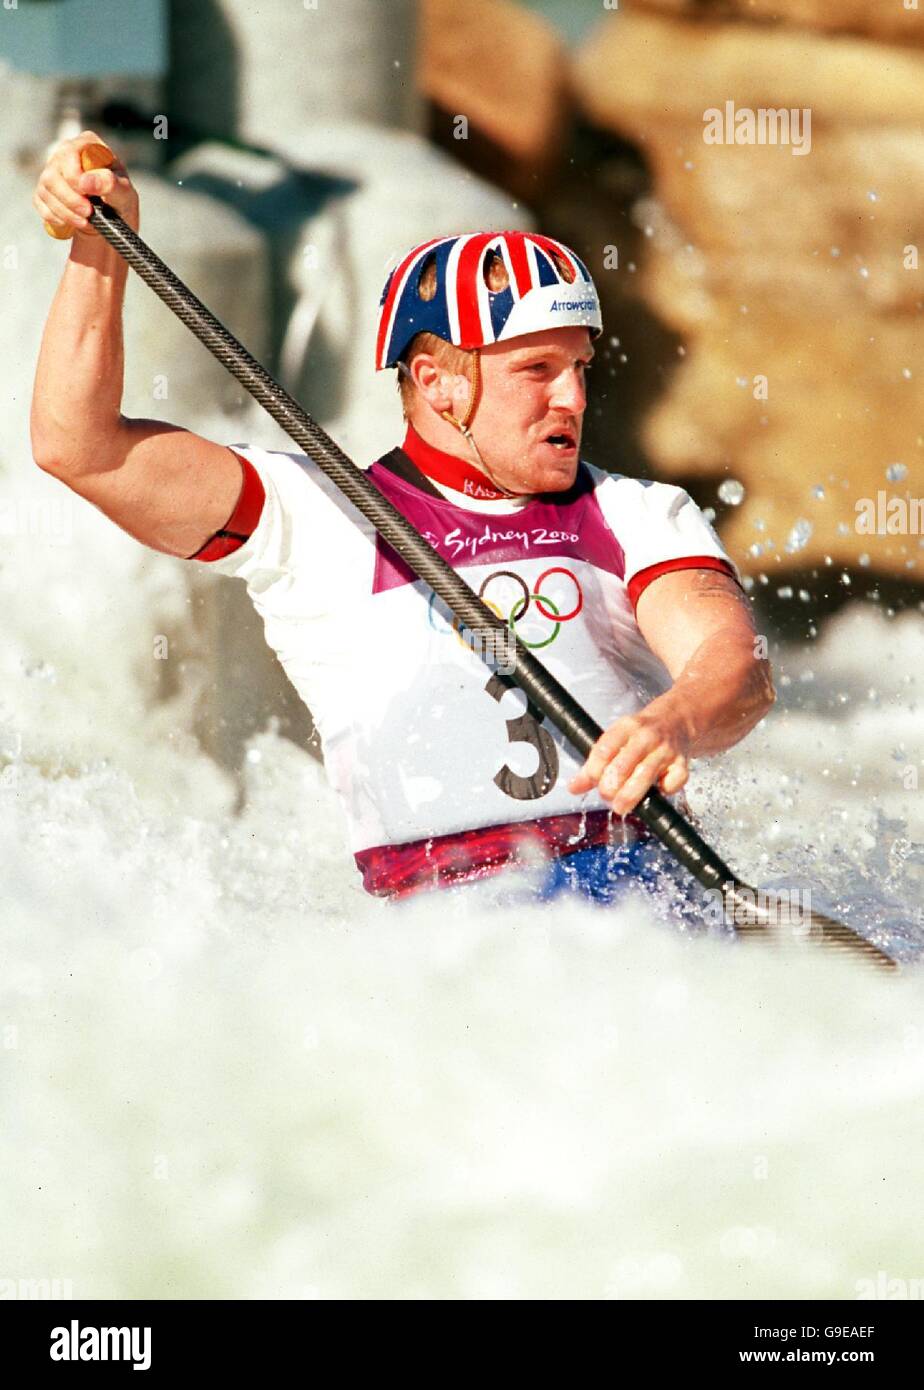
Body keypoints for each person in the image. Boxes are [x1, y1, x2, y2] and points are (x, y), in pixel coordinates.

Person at [31, 133, 775, 909]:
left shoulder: (635, 511)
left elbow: (735, 663)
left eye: (579, 368)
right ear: (439, 385)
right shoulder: (309, 515)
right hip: (441, 934)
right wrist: (99, 246)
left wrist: (677, 722)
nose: (574, 400)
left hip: (633, 895)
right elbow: (79, 447)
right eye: (536, 371)